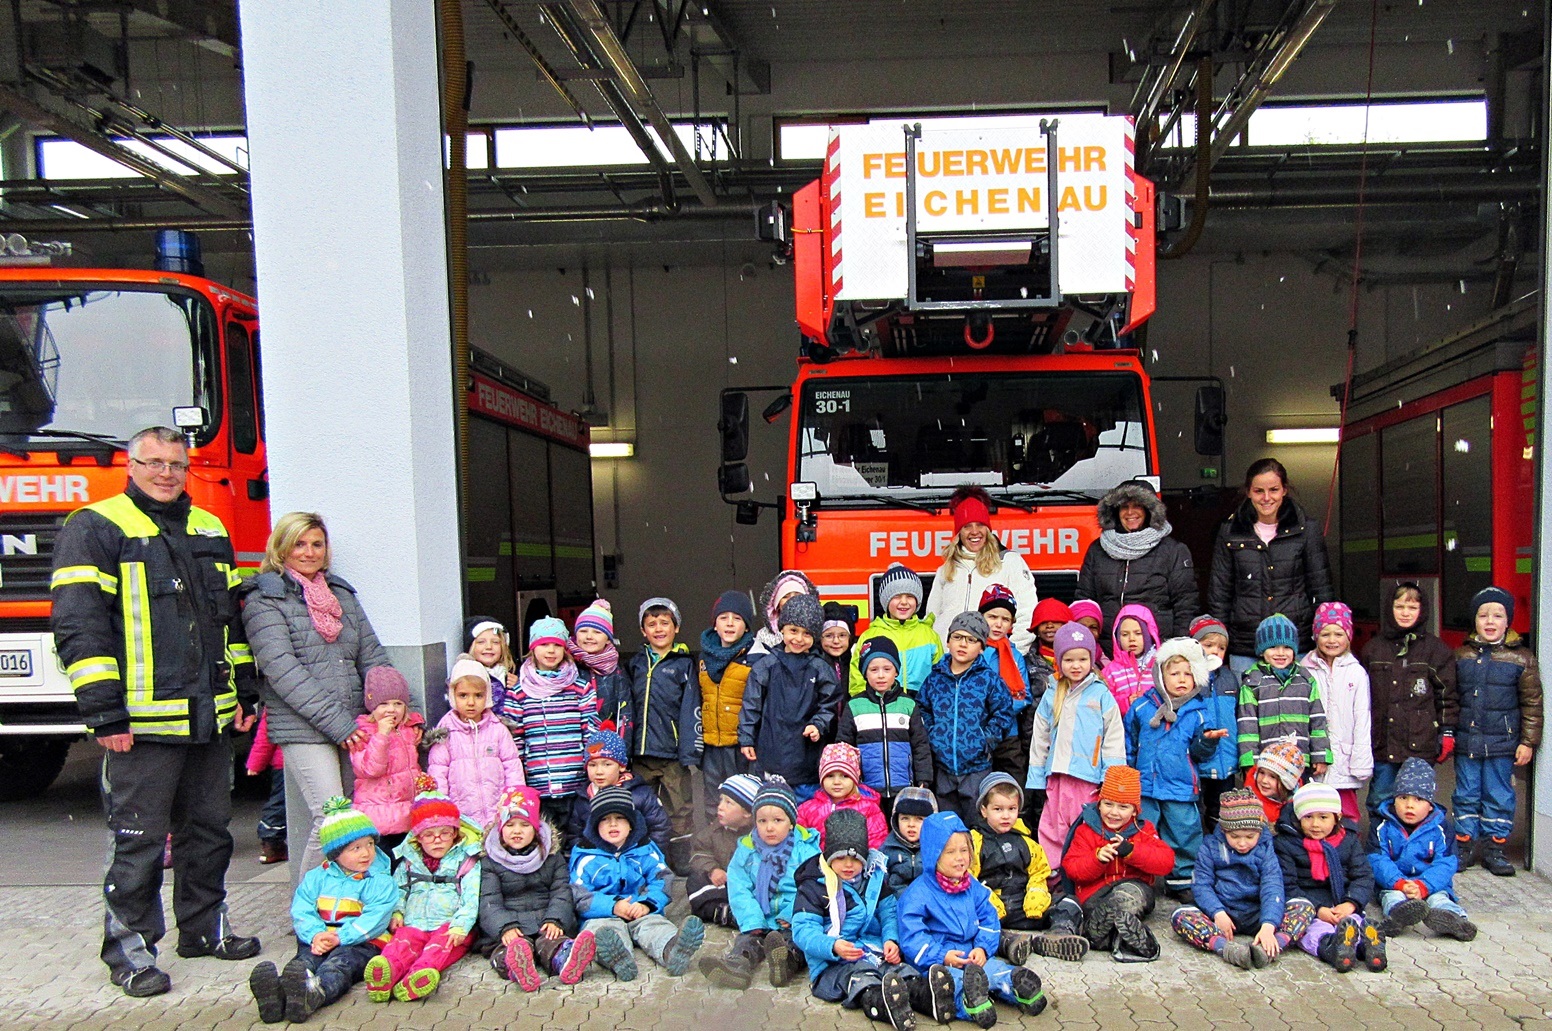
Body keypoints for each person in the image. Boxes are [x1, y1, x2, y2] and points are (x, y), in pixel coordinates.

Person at [52, 426, 261, 995]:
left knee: (209, 833)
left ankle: (204, 929)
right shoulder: (96, 527)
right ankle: (130, 952)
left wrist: (243, 693)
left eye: (176, 463)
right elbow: (80, 625)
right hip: (140, 725)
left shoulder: (209, 527)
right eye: (154, 463)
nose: (166, 473)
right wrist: (105, 715)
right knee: (139, 840)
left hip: (208, 719)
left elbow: (230, 622)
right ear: (131, 465)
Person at [240, 509, 394, 875]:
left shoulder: (340, 594)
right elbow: (283, 672)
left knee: (355, 821)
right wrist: (340, 725)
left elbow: (372, 655)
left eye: (317, 544)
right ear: (281, 548)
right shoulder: (265, 600)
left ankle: (346, 907)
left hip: (352, 725)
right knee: (333, 819)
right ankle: (308, 913)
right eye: (299, 544)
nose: (309, 552)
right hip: (305, 729)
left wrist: (403, 708)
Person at [248, 797, 396, 1023]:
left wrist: (340, 937)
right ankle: (278, 996)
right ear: (335, 853)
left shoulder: (379, 879)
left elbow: (376, 917)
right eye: (356, 848)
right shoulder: (317, 877)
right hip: (320, 938)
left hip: (361, 942)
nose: (366, 853)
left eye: (370, 844)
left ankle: (317, 993)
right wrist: (316, 934)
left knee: (338, 965)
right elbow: (302, 910)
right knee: (304, 962)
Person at [897, 811, 1048, 1026]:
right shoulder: (918, 894)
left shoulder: (972, 885)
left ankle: (1016, 986)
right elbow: (912, 936)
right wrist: (942, 956)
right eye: (950, 852)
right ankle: (969, 1003)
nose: (960, 858)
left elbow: (989, 918)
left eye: (964, 850)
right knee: (954, 983)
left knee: (993, 971)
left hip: (972, 954)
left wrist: (983, 948)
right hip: (939, 962)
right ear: (933, 854)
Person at [791, 809, 927, 1031]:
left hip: (871, 948)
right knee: (862, 976)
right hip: (831, 963)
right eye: (840, 858)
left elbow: (888, 912)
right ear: (829, 856)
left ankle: (927, 995)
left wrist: (891, 939)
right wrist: (832, 946)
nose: (848, 865)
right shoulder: (814, 885)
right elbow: (803, 930)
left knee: (900, 970)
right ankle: (882, 1004)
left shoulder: (874, 874)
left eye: (855, 858)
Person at [1208, 458, 1334, 670]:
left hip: (1294, 643)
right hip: (1246, 645)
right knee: (1247, 703)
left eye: (1274, 489)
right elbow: (1219, 592)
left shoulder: (1306, 529)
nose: (1266, 498)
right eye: (1259, 491)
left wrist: (1326, 637)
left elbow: (1321, 589)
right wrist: (1218, 640)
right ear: (1248, 492)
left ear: (1284, 490)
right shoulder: (1230, 531)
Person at [569, 785, 705, 979]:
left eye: (619, 818)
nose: (612, 824)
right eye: (605, 820)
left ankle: (672, 950)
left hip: (639, 908)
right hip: (603, 913)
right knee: (602, 932)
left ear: (631, 823)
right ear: (595, 825)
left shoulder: (645, 849)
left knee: (655, 927)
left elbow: (662, 879)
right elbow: (579, 894)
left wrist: (647, 904)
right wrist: (613, 906)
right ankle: (618, 959)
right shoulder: (586, 855)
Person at [1170, 789, 1314, 969]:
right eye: (1234, 837)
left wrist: (1269, 924)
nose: (1242, 843)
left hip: (1258, 913)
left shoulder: (1266, 848)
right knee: (1180, 915)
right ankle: (1225, 948)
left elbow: (1273, 886)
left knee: (1304, 907)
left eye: (1250, 837)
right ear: (1223, 830)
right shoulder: (1210, 846)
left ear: (1259, 831)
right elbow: (1201, 884)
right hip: (1224, 914)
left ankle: (1270, 947)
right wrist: (1217, 913)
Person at [1452, 586, 1542, 876]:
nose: (1490, 621)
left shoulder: (1521, 658)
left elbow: (1532, 704)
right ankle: (1464, 845)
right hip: (1467, 740)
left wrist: (1528, 741)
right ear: (1474, 621)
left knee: (1498, 795)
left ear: (1508, 621)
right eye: (1483, 615)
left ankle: (1494, 847)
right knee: (1466, 793)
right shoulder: (1461, 656)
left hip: (1503, 743)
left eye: (1498, 615)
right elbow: (1451, 698)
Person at [700, 777, 821, 989]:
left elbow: (810, 888)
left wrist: (791, 914)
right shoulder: (747, 849)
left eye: (777, 820)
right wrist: (752, 919)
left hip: (792, 918)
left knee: (797, 941)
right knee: (746, 942)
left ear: (791, 821)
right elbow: (739, 888)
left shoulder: (806, 850)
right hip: (760, 916)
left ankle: (784, 965)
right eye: (762, 821)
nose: (769, 828)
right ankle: (737, 968)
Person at [364, 787, 483, 1002]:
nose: (437, 840)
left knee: (439, 947)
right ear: (418, 837)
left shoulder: (466, 861)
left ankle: (418, 976)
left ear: (455, 833)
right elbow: (399, 889)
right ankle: (385, 973)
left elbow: (472, 898)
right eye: (429, 834)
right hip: (415, 921)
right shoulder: (409, 861)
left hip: (450, 925)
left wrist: (461, 925)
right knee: (402, 942)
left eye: (444, 833)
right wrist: (398, 912)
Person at [1124, 637, 1220, 899]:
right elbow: (1129, 742)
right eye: (1174, 673)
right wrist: (1130, 776)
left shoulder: (1199, 712)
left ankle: (1183, 880)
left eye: (1188, 674)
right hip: (1146, 786)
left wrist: (1207, 742)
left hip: (1180, 786)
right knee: (1144, 832)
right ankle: (1140, 880)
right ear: (1159, 674)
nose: (1181, 679)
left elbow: (1200, 755)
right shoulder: (1142, 707)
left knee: (1184, 833)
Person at [1026, 622, 1125, 872]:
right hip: (1058, 776)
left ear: (1091, 659)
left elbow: (1113, 738)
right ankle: (1054, 877)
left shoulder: (1101, 695)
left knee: (1086, 827)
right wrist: (1037, 775)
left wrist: (1112, 778)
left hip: (1089, 778)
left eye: (1082, 659)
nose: (1076, 665)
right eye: (1069, 659)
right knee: (1053, 827)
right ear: (1059, 661)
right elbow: (1040, 738)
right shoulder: (1052, 693)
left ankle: (1085, 873)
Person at [479, 786, 595, 991]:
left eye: (524, 825)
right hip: (509, 926)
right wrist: (504, 927)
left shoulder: (551, 855)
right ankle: (516, 967)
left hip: (544, 920)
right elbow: (489, 901)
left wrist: (555, 919)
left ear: (535, 828)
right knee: (508, 948)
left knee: (552, 943)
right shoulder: (490, 861)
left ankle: (567, 959)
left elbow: (561, 891)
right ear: (500, 828)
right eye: (510, 825)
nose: (517, 831)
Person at [1359, 582, 1457, 826]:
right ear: (1389, 608)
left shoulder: (1436, 650)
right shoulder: (1373, 649)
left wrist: (1446, 732)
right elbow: (1361, 700)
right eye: (1399, 606)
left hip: (1421, 743)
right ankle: (1380, 844)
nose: (1405, 612)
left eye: (1412, 607)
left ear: (1421, 610)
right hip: (1384, 742)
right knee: (1381, 796)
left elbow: (1448, 695)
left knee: (1417, 801)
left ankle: (1416, 847)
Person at [1058, 766, 1174, 962]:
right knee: (1107, 912)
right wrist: (1097, 859)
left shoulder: (1143, 830)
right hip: (1096, 895)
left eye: (1123, 807)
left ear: (1135, 810)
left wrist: (1132, 851)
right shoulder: (1086, 831)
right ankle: (1124, 940)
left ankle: (1097, 936)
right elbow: (1072, 868)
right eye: (1108, 804)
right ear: (1099, 804)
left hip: (1133, 891)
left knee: (1126, 896)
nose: (1114, 812)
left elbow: (1166, 862)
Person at [740, 594, 844, 798]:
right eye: (793, 630)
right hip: (771, 754)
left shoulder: (820, 668)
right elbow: (751, 705)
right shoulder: (766, 666)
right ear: (782, 629)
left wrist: (818, 724)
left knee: (805, 814)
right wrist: (746, 739)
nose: (798, 639)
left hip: (807, 759)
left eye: (807, 634)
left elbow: (830, 703)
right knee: (773, 810)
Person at [916, 612, 1016, 824]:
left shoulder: (988, 679)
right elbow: (922, 708)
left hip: (977, 768)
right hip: (942, 767)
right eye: (958, 637)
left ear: (981, 647)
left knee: (976, 823)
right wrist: (934, 735)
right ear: (948, 641)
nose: (963, 644)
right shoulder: (935, 678)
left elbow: (1004, 711)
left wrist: (986, 739)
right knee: (946, 823)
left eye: (971, 640)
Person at [1274, 782, 1383, 973]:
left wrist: (1351, 903)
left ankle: (1368, 947)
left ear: (1337, 817)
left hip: (1340, 903)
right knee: (1310, 931)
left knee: (1354, 922)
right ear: (1299, 818)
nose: (1315, 824)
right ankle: (1333, 949)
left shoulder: (1348, 840)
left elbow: (1363, 876)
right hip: (1307, 906)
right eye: (1308, 817)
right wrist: (1318, 909)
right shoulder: (1286, 843)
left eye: (1323, 817)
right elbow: (1287, 883)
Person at [503, 616, 600, 830]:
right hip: (538, 782)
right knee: (545, 838)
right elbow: (514, 737)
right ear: (533, 648)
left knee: (577, 835)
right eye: (544, 644)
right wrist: (521, 776)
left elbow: (590, 731)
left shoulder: (579, 688)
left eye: (557, 645)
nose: (550, 650)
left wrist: (590, 767)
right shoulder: (519, 692)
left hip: (574, 780)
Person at [1369, 758, 1477, 942]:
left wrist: (1424, 886)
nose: (1409, 805)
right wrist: (1399, 883)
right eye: (1403, 798)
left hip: (1431, 884)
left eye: (1418, 799)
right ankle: (1397, 918)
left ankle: (1456, 921)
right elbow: (1377, 859)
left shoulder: (1441, 827)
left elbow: (1446, 863)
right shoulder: (1382, 825)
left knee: (1440, 900)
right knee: (1392, 897)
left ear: (1429, 804)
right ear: (1394, 799)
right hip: (1395, 883)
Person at [627, 596, 699, 868]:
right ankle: (645, 855)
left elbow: (690, 708)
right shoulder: (636, 664)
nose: (659, 629)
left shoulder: (684, 664)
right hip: (641, 751)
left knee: (680, 806)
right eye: (651, 624)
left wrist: (689, 750)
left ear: (676, 627)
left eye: (665, 623)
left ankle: (679, 854)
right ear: (643, 631)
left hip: (671, 752)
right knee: (640, 805)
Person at [1075, 480, 1198, 639]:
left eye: (1137, 506)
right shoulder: (1097, 549)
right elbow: (1085, 601)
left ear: (1149, 511)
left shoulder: (1173, 550)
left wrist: (1178, 647)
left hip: (1157, 647)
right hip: (1108, 648)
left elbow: (1186, 605)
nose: (1130, 512)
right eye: (1124, 507)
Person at [923, 486, 1040, 653]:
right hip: (948, 662)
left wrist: (1010, 653)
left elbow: (1028, 615)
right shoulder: (946, 569)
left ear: (988, 529)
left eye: (980, 525)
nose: (974, 531)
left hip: (989, 662)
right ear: (958, 533)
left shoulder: (1009, 562)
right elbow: (931, 620)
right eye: (967, 526)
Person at [427, 655, 525, 831]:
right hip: (461, 816)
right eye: (463, 695)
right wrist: (442, 809)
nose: (471, 703)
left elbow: (513, 767)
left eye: (478, 696)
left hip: (498, 813)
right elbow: (438, 771)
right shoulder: (446, 732)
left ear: (487, 696)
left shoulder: (497, 729)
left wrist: (514, 803)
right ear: (452, 695)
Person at [839, 637, 932, 816]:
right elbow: (845, 746)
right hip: (866, 789)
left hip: (903, 786)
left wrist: (924, 779)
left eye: (887, 669)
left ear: (896, 671)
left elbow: (920, 745)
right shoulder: (855, 706)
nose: (881, 675)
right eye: (874, 670)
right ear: (865, 673)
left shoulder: (908, 704)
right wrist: (849, 780)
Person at [967, 773, 1052, 965]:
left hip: (1025, 907)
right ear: (984, 810)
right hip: (994, 910)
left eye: (1012, 809)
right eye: (998, 809)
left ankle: (1057, 935)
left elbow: (1039, 871)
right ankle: (1007, 943)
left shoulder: (1025, 840)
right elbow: (968, 878)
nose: (1006, 815)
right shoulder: (974, 841)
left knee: (1067, 903)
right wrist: (991, 905)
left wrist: (1036, 899)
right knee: (974, 925)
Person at [1299, 602, 1372, 823]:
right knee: (1314, 811)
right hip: (1316, 758)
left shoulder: (1356, 672)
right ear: (1316, 636)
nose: (1332, 640)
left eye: (1338, 634)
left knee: (1346, 812)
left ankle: (1346, 854)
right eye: (1325, 634)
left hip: (1345, 757)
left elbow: (1362, 716)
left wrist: (1360, 759)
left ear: (1348, 636)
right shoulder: (1304, 669)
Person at [1236, 613, 1330, 776]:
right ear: (1261, 650)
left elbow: (1318, 720)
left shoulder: (1306, 679)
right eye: (1273, 647)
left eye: (1287, 647)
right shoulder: (1253, 681)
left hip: (1300, 761)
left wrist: (1320, 755)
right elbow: (1247, 724)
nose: (1280, 653)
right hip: (1267, 764)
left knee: (1299, 801)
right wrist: (1250, 761)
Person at [350, 666, 425, 854]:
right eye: (384, 704)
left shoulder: (408, 730)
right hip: (377, 819)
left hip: (406, 814)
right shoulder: (363, 733)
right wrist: (381, 735)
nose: (391, 710)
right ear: (372, 707)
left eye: (398, 703)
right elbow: (370, 769)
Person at [699, 590, 758, 823]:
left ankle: (742, 852)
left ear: (746, 626)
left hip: (740, 746)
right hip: (711, 745)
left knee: (742, 800)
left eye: (737, 618)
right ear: (715, 624)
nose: (730, 623)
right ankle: (715, 850)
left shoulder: (755, 658)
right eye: (724, 618)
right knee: (713, 801)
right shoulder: (703, 659)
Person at [567, 729, 673, 856]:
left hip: (637, 861)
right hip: (599, 865)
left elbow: (660, 827)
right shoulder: (583, 798)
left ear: (621, 766)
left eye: (607, 764)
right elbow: (575, 835)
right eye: (592, 765)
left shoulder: (640, 794)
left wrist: (648, 856)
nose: (599, 771)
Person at [851, 564, 944, 696]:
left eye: (910, 596)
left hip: (921, 708)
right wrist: (864, 705)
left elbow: (940, 676)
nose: (904, 602)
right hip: (882, 708)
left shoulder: (929, 635)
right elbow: (857, 678)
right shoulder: (870, 636)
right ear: (885, 601)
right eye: (897, 596)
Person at [686, 773, 762, 930]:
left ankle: (749, 912)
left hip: (748, 886)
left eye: (729, 803)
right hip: (722, 886)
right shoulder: (712, 832)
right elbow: (698, 854)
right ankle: (722, 912)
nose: (720, 806)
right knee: (695, 881)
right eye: (721, 800)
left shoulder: (759, 835)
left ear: (747, 812)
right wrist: (712, 869)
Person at [1190, 616, 1240, 832]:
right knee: (1195, 811)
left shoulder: (1230, 678)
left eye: (1220, 648)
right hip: (1198, 760)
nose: (1214, 652)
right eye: (1208, 645)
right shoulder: (1189, 678)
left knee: (1221, 812)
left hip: (1226, 762)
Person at [797, 742, 889, 849]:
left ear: (855, 779)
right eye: (830, 776)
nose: (837, 782)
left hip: (855, 863)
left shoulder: (869, 809)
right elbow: (800, 843)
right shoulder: (807, 810)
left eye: (844, 776)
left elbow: (876, 842)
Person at [569, 599, 633, 749]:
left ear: (608, 638)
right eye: (583, 631)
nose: (589, 636)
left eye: (597, 632)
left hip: (607, 751)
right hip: (572, 748)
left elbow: (625, 716)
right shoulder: (567, 667)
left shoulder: (616, 673)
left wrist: (621, 753)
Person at [1099, 603, 1160, 715]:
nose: (1132, 639)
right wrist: (1126, 703)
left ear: (1149, 635)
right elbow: (1102, 702)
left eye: (1138, 633)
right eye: (1125, 634)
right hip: (1123, 730)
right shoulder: (1110, 672)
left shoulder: (1161, 667)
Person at [245, 708, 288, 865]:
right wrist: (255, 763)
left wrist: (255, 763)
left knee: (280, 803)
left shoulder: (273, 705)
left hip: (282, 762)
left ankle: (271, 844)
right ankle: (271, 841)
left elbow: (264, 736)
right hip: (284, 764)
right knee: (280, 803)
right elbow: (265, 736)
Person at [880, 787, 937, 896]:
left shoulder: (937, 849)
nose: (911, 824)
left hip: (930, 901)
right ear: (896, 820)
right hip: (896, 903)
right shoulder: (887, 849)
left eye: (919, 819)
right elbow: (882, 888)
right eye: (905, 818)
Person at [752, 569, 819, 657]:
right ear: (776, 603)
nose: (791, 600)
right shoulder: (764, 634)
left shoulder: (815, 630)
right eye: (785, 596)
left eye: (797, 595)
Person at [463, 617, 517, 718]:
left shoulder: (507, 674)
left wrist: (518, 687)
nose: (489, 647)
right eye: (481, 642)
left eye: (495, 642)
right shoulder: (466, 675)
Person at [1247, 741, 1305, 826]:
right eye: (1262, 773)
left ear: (1288, 783)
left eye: (1273, 777)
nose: (1264, 780)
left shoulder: (1298, 805)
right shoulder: (1249, 804)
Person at [820, 602, 860, 697]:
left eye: (842, 635)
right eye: (829, 636)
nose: (836, 641)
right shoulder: (815, 666)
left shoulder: (854, 664)